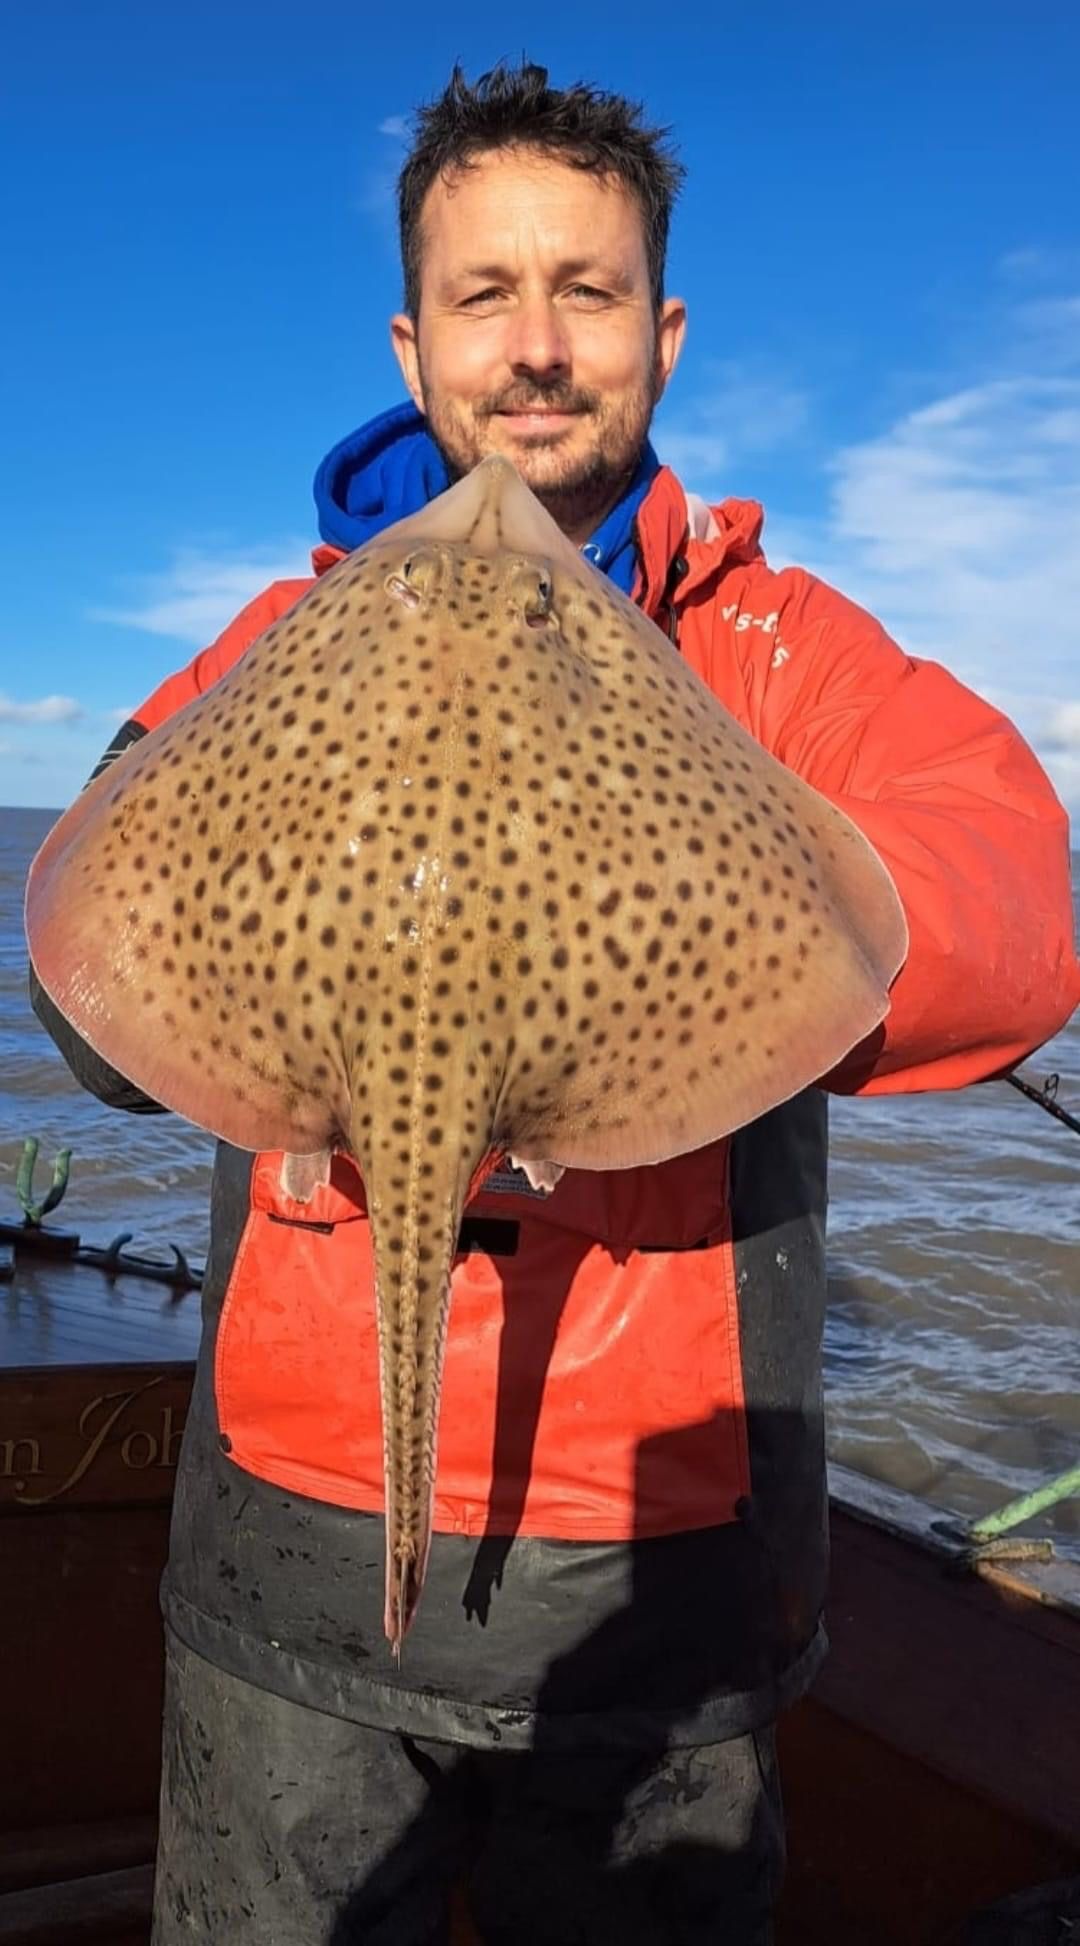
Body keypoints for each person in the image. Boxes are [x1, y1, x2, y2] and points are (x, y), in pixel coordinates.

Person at [33, 60, 1080, 1946]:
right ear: (414, 338)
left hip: (654, 1584)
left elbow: (1022, 911)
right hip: (283, 1538)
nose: (534, 347)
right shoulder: (282, 633)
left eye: (583, 292)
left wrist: (722, 943)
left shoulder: (767, 645)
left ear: (659, 328)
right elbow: (100, 1000)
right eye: (485, 296)